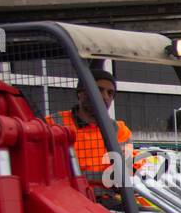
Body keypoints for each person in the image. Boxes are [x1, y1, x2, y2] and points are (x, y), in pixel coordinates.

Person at [48, 66, 139, 197]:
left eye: (110, 93)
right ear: (81, 93)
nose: (105, 96)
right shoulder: (54, 124)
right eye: (99, 90)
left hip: (108, 199)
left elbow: (127, 168)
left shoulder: (118, 129)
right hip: (69, 198)